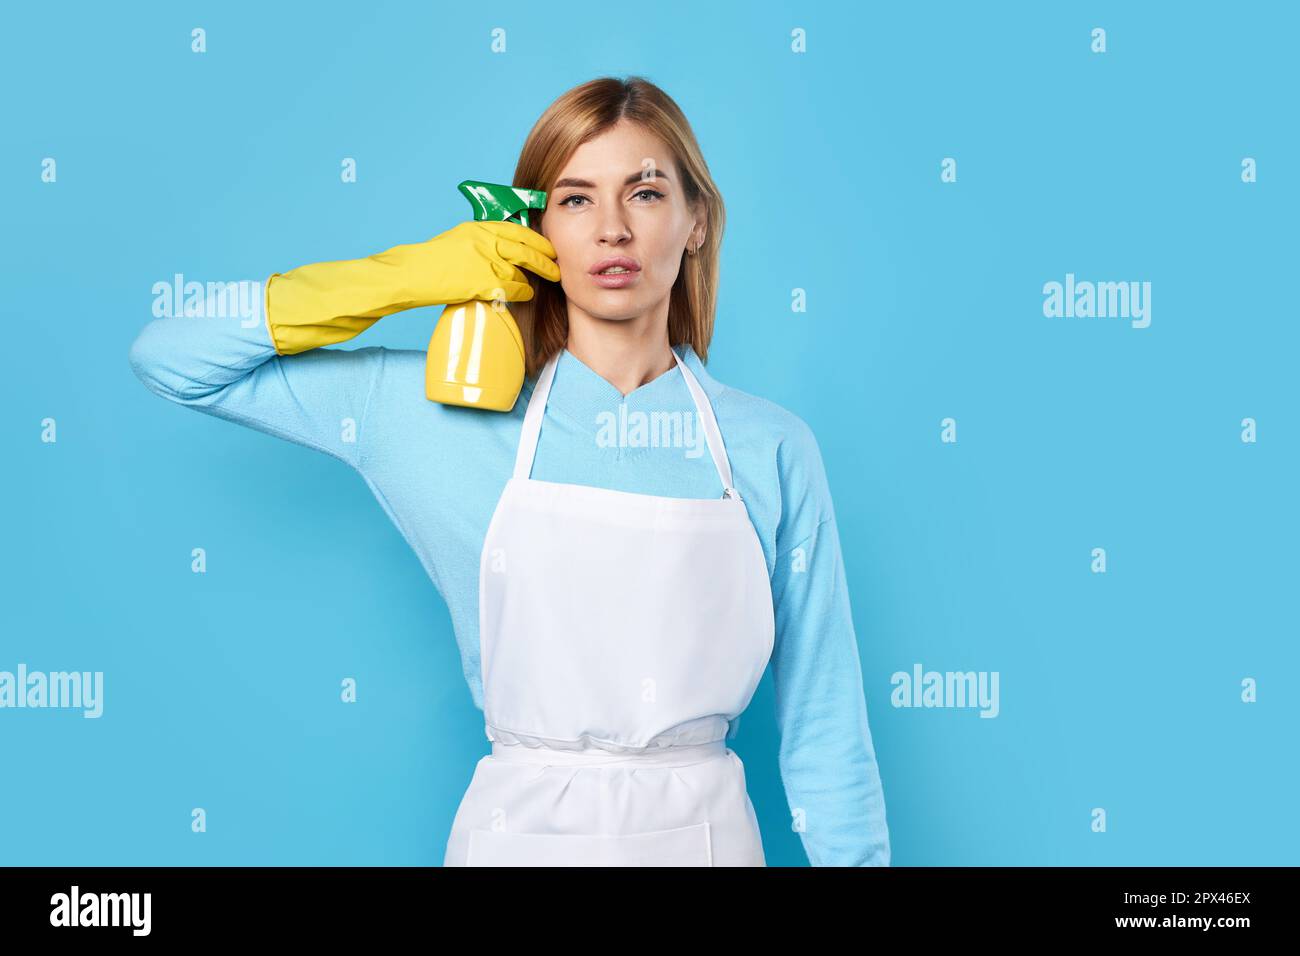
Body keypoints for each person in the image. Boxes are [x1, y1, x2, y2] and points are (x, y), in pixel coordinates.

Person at [127, 75, 890, 866]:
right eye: (575, 199)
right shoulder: (432, 417)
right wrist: (402, 276)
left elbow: (825, 726)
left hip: (706, 838)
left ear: (697, 221)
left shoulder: (769, 448)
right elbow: (172, 359)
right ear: (533, 228)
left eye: (647, 193)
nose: (613, 231)